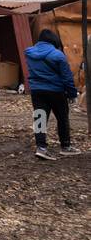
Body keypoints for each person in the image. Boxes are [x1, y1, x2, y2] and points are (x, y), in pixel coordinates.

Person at [25, 28, 80, 160]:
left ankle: (41, 148)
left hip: (37, 91)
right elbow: (67, 77)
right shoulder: (58, 55)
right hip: (56, 91)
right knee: (62, 118)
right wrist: (72, 94)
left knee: (40, 118)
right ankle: (65, 147)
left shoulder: (29, 52)